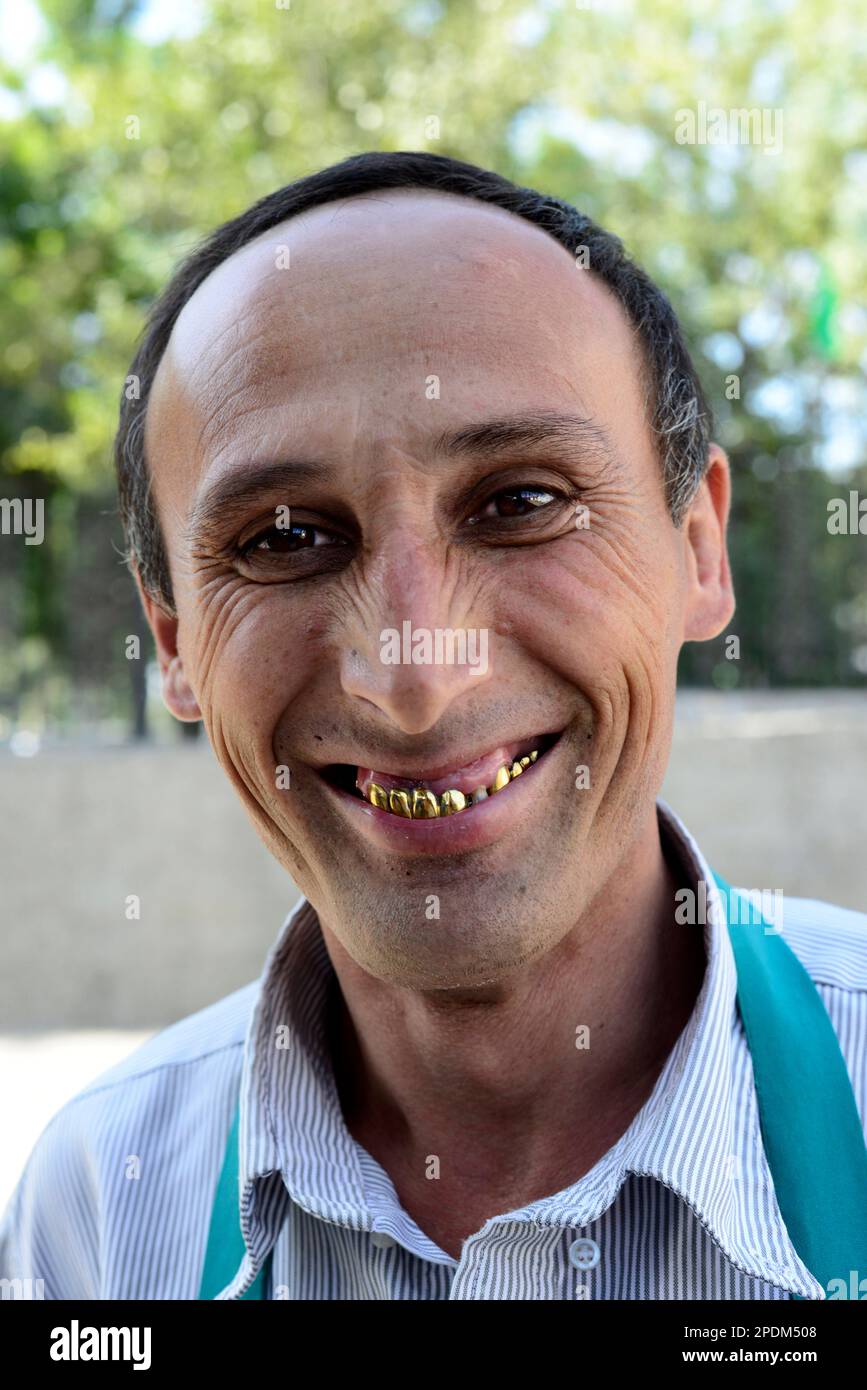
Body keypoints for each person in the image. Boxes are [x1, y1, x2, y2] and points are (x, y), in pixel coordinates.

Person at [3, 151, 866, 1301]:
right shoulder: (100, 1209)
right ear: (173, 642)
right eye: (282, 538)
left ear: (698, 553)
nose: (416, 678)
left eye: (520, 503)